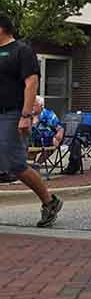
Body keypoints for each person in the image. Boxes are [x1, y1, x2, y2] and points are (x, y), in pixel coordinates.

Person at [0, 14, 63, 227]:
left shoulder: (21, 51)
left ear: (2, 28)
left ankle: (49, 201)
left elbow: (31, 83)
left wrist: (26, 116)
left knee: (16, 164)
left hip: (12, 114)